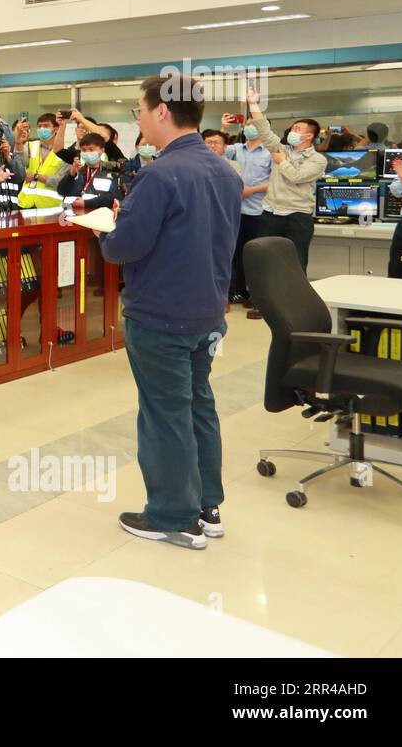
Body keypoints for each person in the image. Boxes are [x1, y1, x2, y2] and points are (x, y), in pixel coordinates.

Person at [99, 75, 241, 550]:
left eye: (140, 109)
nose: (137, 118)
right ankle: (206, 505)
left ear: (162, 112)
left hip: (161, 316)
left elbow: (125, 247)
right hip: (206, 312)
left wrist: (107, 228)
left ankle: (171, 516)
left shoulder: (161, 173)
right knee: (198, 403)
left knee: (164, 413)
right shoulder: (223, 171)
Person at [245, 94, 327, 273]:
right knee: (264, 263)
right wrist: (253, 104)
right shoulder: (280, 148)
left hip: (297, 217)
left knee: (295, 264)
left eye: (297, 128)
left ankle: (294, 300)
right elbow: (264, 131)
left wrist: (281, 161)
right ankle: (265, 300)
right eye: (293, 128)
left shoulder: (318, 160)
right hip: (270, 214)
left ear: (309, 136)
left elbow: (297, 176)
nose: (292, 131)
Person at [221, 115, 272, 312]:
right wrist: (224, 128)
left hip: (258, 210)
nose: (250, 127)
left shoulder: (269, 153)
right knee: (235, 254)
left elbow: (274, 180)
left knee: (256, 255)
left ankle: (257, 295)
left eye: (254, 124)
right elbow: (218, 155)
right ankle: (238, 291)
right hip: (234, 211)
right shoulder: (236, 149)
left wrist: (252, 190)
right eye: (247, 124)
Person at [58, 132, 121, 211]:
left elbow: (113, 198)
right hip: (75, 216)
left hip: (99, 216)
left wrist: (87, 203)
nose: (87, 153)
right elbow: (61, 191)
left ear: (102, 150)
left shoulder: (111, 171)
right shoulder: (78, 171)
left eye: (91, 149)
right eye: (84, 150)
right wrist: (71, 175)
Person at [16, 112, 67, 208]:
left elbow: (62, 182)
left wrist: (37, 176)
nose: (42, 129)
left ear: (55, 129)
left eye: (46, 126)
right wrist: (18, 137)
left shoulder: (65, 152)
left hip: (51, 206)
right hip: (25, 204)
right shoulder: (30, 145)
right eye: (39, 126)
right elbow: (18, 166)